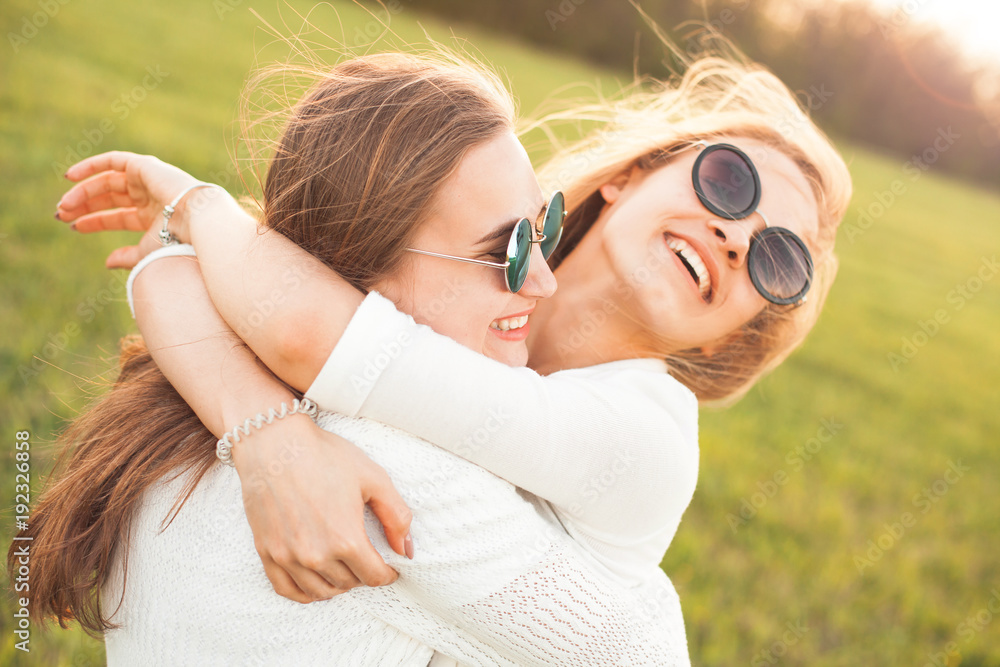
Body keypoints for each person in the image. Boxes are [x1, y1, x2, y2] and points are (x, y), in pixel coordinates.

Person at [24, 51, 693, 665]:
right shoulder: (396, 485)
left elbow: (166, 263)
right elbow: (640, 651)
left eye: (541, 228)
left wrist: (193, 218)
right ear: (360, 272)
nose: (542, 280)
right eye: (505, 249)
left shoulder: (190, 389)